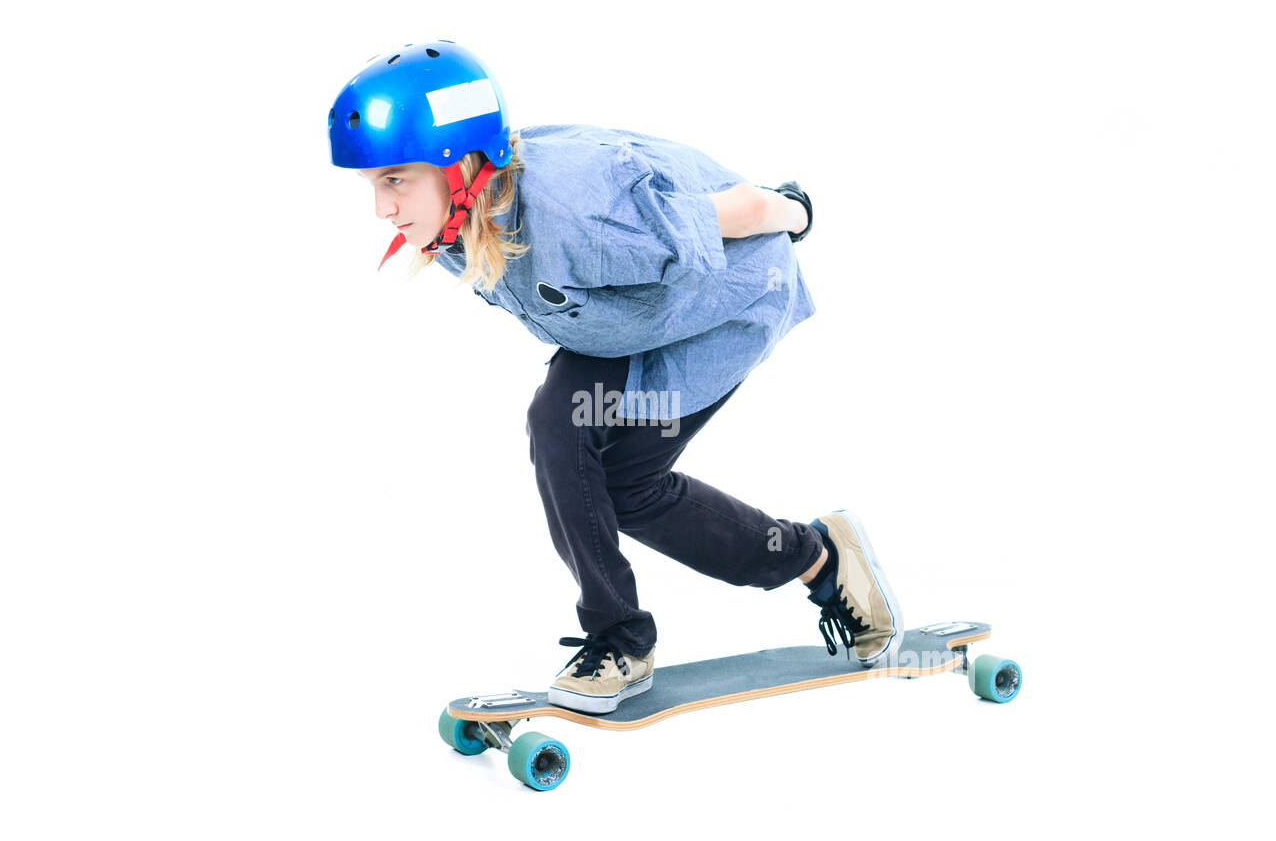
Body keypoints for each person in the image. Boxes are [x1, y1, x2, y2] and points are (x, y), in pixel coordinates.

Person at [328, 39, 903, 714]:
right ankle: (820, 558)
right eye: (373, 184)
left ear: (462, 165)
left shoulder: (580, 215)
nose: (382, 209)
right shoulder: (457, 221)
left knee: (561, 422)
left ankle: (620, 641)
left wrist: (798, 211)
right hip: (626, 321)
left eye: (395, 179)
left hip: (721, 311)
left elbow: (745, 212)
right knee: (627, 485)